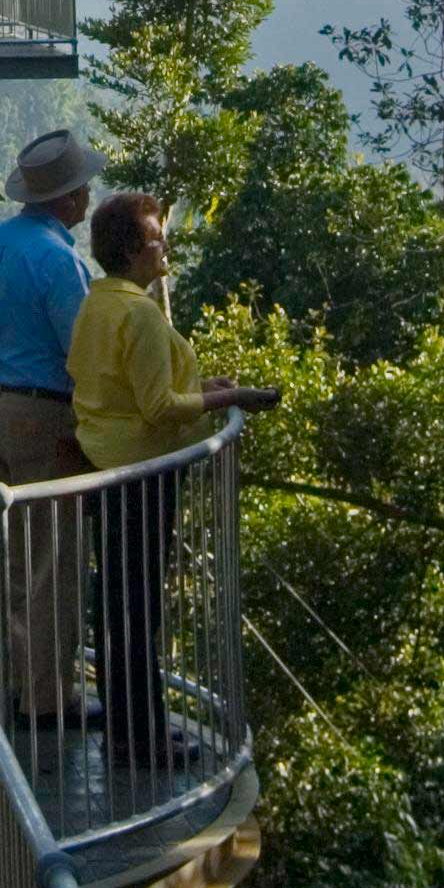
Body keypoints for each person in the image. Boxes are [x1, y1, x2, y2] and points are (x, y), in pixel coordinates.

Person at [69, 190, 279, 766]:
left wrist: (202, 391)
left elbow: (119, 389)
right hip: (140, 474)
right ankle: (143, 740)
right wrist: (232, 398)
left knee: (116, 606)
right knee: (138, 610)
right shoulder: (137, 313)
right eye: (158, 235)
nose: (166, 244)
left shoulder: (99, 302)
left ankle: (126, 727)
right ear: (137, 249)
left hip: (103, 465)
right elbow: (159, 409)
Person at [0, 129, 100, 724]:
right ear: (70, 200)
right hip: (41, 415)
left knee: (11, 554)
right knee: (52, 562)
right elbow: (81, 353)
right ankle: (48, 700)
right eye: (85, 188)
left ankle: (15, 681)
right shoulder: (60, 261)